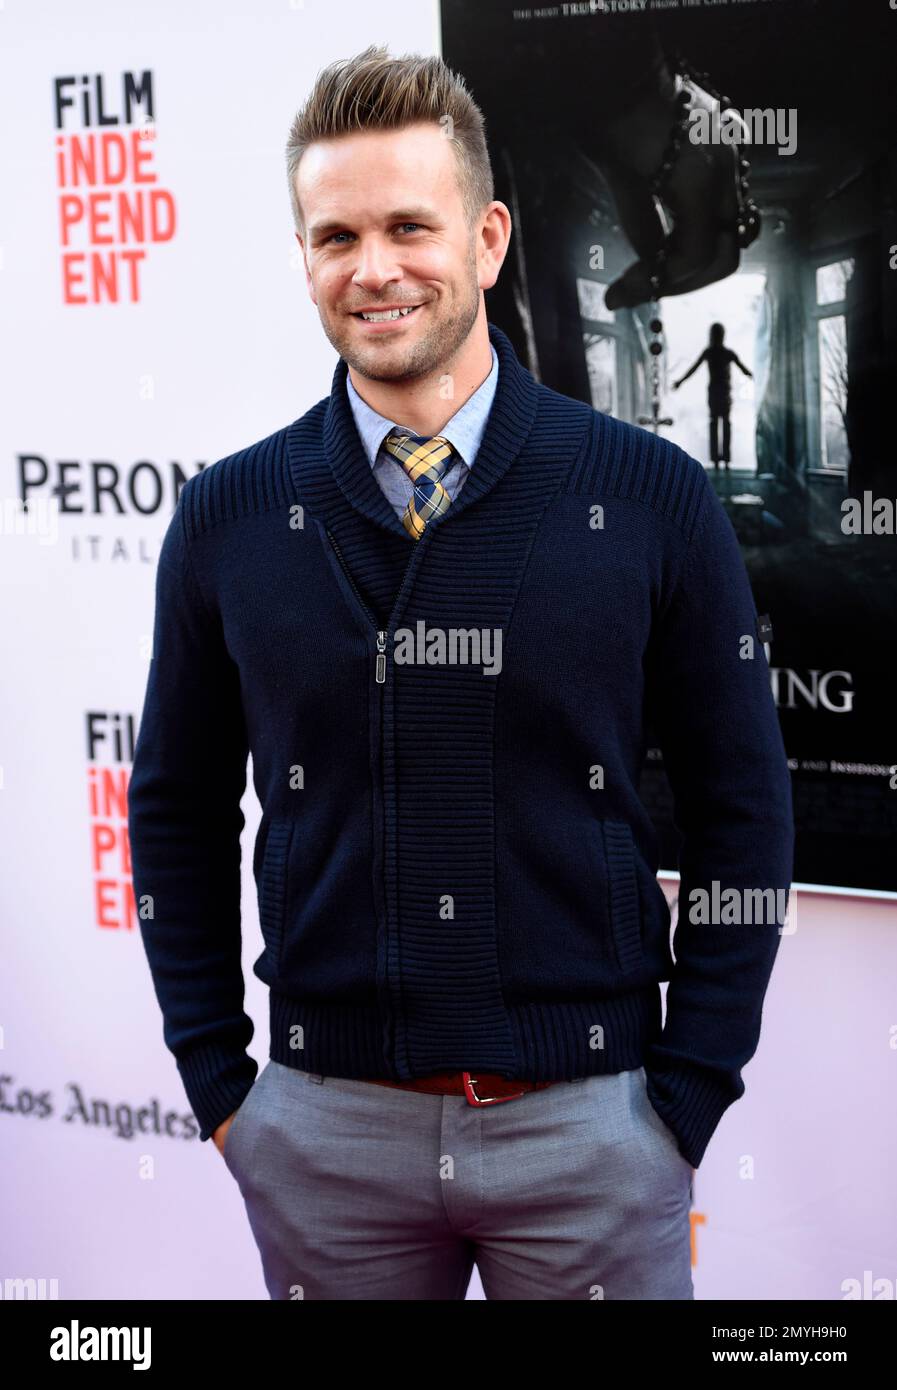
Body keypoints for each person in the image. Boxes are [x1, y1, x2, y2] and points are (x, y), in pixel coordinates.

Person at [127, 45, 794, 1301]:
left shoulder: (650, 497)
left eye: (408, 226)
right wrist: (222, 1083)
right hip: (324, 1136)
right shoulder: (227, 518)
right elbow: (170, 810)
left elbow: (744, 809)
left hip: (594, 1130)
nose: (373, 268)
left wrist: (687, 1094)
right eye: (335, 236)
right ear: (305, 258)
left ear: (488, 240)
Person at [674, 323, 754, 469]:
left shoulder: (709, 352)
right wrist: (755, 377)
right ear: (723, 335)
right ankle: (726, 459)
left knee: (714, 423)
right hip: (725, 392)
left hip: (714, 392)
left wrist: (680, 381)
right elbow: (744, 370)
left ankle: (716, 459)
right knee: (726, 423)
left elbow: (693, 369)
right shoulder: (728, 353)